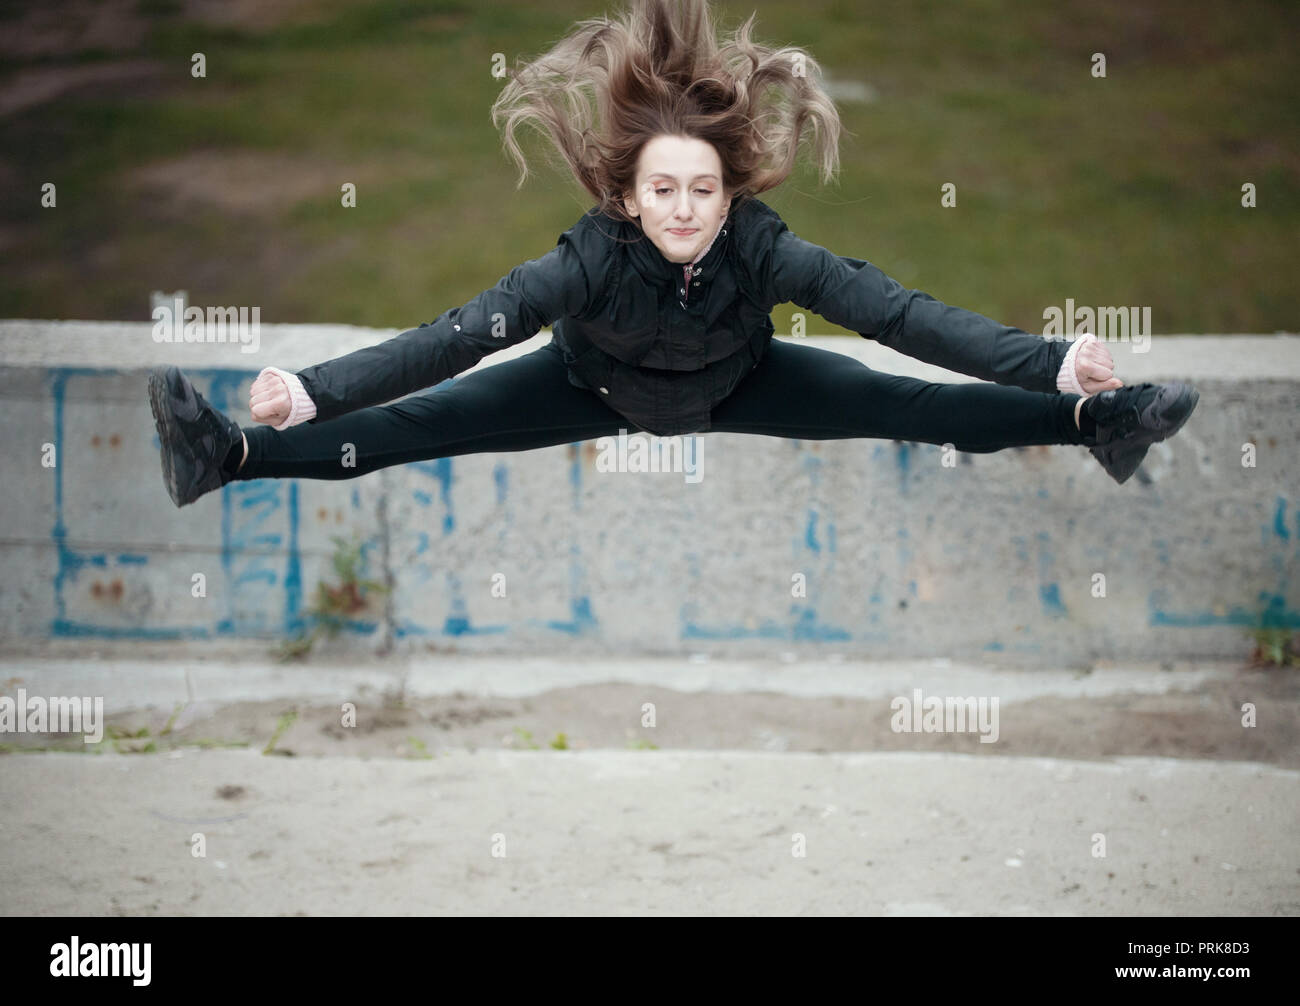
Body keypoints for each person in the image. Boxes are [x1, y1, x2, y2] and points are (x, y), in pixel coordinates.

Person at [148, 0, 1197, 509]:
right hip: (589, 384)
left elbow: (903, 315)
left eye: (702, 189)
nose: (685, 208)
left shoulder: (763, 248)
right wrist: (311, 388)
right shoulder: (582, 264)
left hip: (741, 380)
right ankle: (224, 457)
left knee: (902, 400)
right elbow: (453, 338)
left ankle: (1096, 423)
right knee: (422, 425)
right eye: (664, 191)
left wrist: (1054, 360)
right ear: (627, 194)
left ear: (728, 189)